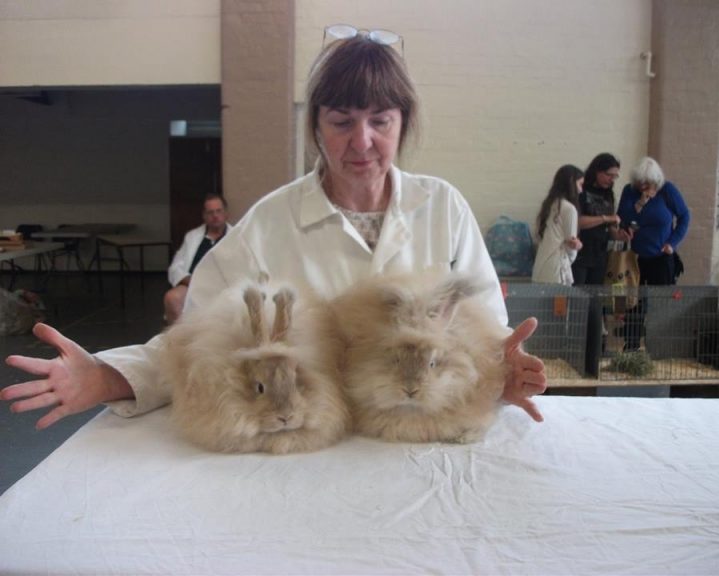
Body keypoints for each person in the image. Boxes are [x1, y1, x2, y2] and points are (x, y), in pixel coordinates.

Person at [0, 27, 547, 431]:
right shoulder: (269, 222)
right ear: (316, 127)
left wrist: (507, 366)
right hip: (306, 447)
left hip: (417, 438)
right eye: (342, 121)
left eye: (380, 121)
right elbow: (195, 344)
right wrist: (108, 376)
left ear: (402, 123)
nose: (362, 142)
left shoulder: (443, 206)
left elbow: (485, 335)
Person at [616, 156, 690, 350]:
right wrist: (641, 203)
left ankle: (658, 346)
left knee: (661, 301)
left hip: (661, 257)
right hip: (636, 258)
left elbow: (684, 216)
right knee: (634, 301)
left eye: (647, 182)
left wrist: (672, 242)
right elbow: (623, 218)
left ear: (656, 180)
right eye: (639, 182)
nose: (643, 186)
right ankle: (631, 345)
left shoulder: (667, 191)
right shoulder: (629, 191)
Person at [164, 194, 231, 324]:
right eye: (210, 212)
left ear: (226, 213)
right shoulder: (192, 237)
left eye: (219, 211)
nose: (215, 216)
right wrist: (192, 281)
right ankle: (183, 335)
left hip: (223, 288)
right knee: (172, 298)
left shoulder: (236, 238)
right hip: (193, 286)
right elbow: (175, 267)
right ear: (204, 216)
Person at [571, 153, 626, 285]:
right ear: (597, 171)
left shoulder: (608, 193)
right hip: (580, 252)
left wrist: (618, 235)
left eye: (615, 176)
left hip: (601, 253)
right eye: (609, 175)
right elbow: (576, 221)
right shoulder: (581, 190)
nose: (612, 180)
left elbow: (610, 225)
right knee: (577, 293)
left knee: (596, 293)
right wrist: (605, 218)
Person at [531, 164, 584, 285]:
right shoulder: (569, 209)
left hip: (540, 267)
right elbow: (571, 244)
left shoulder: (548, 204)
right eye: (580, 184)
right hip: (557, 269)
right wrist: (578, 246)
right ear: (571, 183)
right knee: (559, 298)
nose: (581, 190)